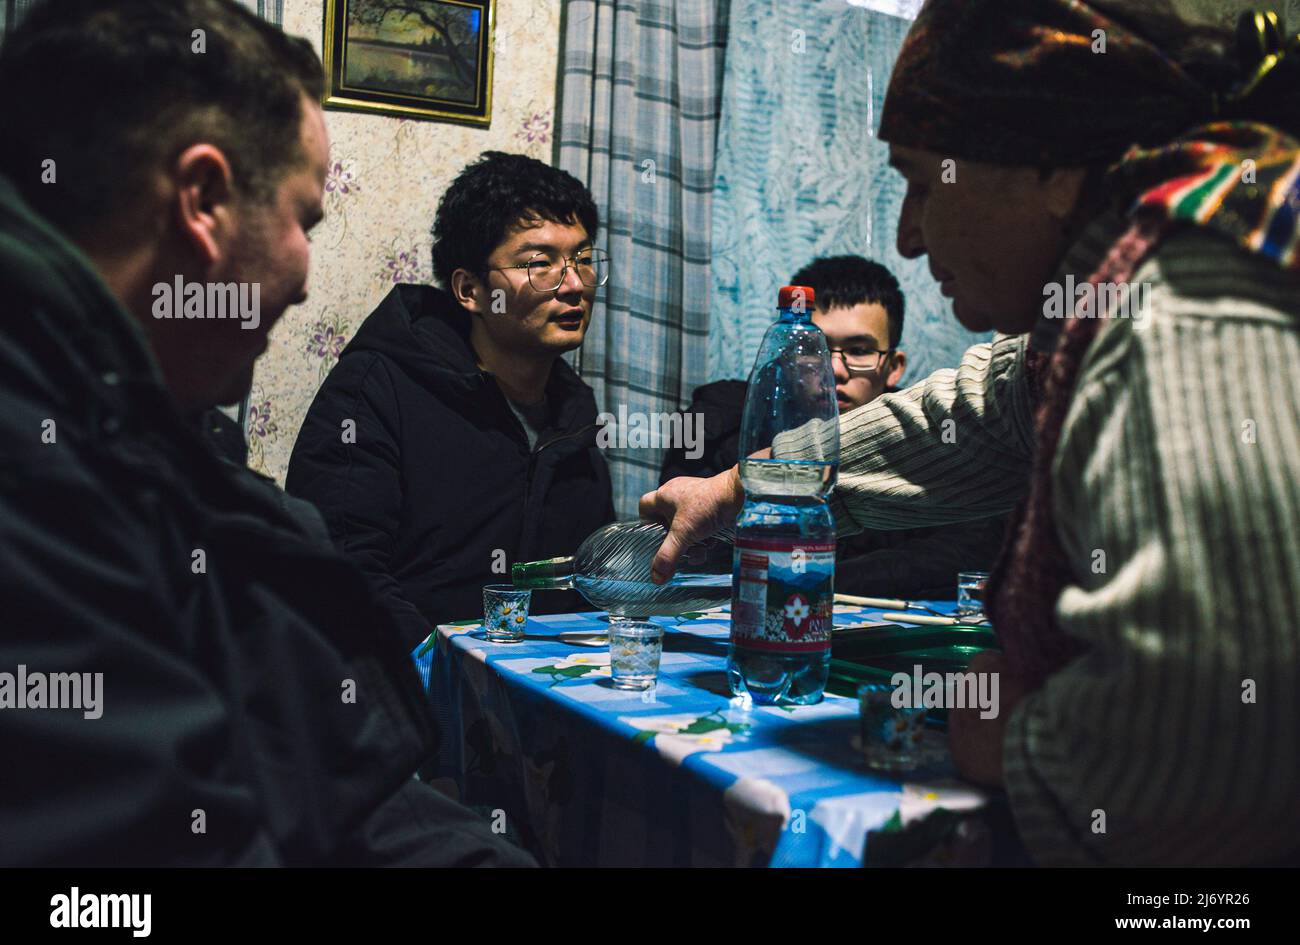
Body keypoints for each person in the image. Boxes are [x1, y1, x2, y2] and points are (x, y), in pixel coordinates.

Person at [640, 0, 1300, 865]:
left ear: (1052, 169)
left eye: (924, 182)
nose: (910, 236)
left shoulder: (1182, 311)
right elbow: (972, 415)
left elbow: (1199, 757)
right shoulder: (1104, 299)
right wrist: (734, 489)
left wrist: (999, 717)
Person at [0, 0, 531, 866]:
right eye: (302, 220)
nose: (303, 278)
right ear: (204, 200)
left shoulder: (149, 432)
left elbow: (332, 792)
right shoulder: (41, 470)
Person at [287, 152, 616, 652]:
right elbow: (341, 575)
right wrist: (450, 685)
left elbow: (587, 583)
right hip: (409, 697)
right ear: (471, 291)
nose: (573, 285)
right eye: (539, 264)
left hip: (542, 695)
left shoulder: (575, 412)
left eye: (584, 261)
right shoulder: (378, 389)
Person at [659, 255, 1005, 599]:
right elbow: (690, 550)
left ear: (894, 366)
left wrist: (810, 579)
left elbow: (966, 549)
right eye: (816, 348)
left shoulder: (936, 431)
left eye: (859, 350)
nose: (835, 369)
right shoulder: (721, 424)